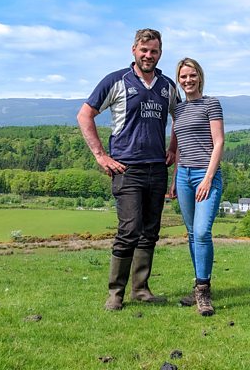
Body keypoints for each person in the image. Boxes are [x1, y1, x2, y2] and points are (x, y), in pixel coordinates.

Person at [77, 28, 180, 311]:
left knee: (150, 231)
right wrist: (101, 155)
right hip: (127, 168)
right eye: (144, 50)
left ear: (160, 53)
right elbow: (85, 115)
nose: (148, 55)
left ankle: (141, 290)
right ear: (134, 50)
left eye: (154, 51)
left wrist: (173, 149)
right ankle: (115, 293)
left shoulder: (167, 85)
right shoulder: (116, 80)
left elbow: (180, 118)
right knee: (129, 229)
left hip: (157, 168)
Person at [168, 57, 224, 316]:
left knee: (202, 232)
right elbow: (179, 147)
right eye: (183, 77)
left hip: (205, 175)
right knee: (191, 233)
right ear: (178, 80)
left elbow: (219, 142)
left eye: (192, 75)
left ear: (200, 77)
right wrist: (174, 179)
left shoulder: (211, 104)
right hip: (184, 176)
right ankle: (198, 285)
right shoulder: (178, 110)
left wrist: (208, 178)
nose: (188, 80)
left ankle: (203, 291)